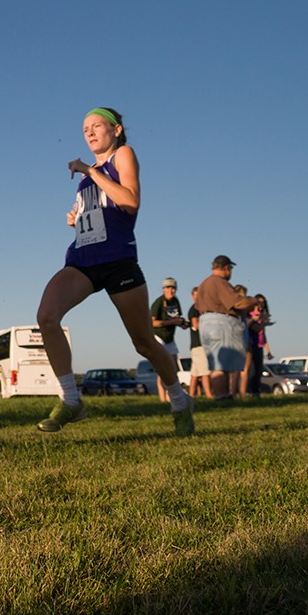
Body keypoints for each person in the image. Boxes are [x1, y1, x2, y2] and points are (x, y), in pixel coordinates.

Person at [33, 107, 195, 437]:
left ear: (116, 130)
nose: (90, 133)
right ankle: (71, 399)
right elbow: (101, 214)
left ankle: (180, 401)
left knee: (144, 343)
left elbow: (130, 202)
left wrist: (90, 172)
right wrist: (77, 219)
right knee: (47, 316)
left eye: (97, 126)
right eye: (85, 129)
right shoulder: (86, 178)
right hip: (83, 260)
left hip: (118, 261)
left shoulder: (122, 155)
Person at [194, 256, 262, 401]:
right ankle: (222, 396)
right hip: (221, 323)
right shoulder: (220, 282)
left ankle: (222, 396)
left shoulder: (204, 283)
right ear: (227, 268)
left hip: (205, 323)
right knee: (221, 364)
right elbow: (237, 303)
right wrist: (253, 301)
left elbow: (197, 307)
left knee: (215, 362)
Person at [149, 277, 187, 403]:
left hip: (170, 337)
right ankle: (163, 398)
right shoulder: (159, 302)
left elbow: (177, 317)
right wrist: (172, 322)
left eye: (173, 288)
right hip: (159, 336)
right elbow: (153, 323)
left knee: (174, 367)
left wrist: (182, 323)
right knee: (163, 368)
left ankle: (172, 394)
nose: (171, 290)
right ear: (163, 289)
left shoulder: (175, 301)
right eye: (168, 288)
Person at [187, 286, 208, 398]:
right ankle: (209, 395)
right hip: (199, 344)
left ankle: (191, 395)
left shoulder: (203, 309)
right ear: (192, 296)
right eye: (196, 295)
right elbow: (196, 325)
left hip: (198, 344)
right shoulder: (194, 310)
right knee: (205, 372)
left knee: (195, 373)